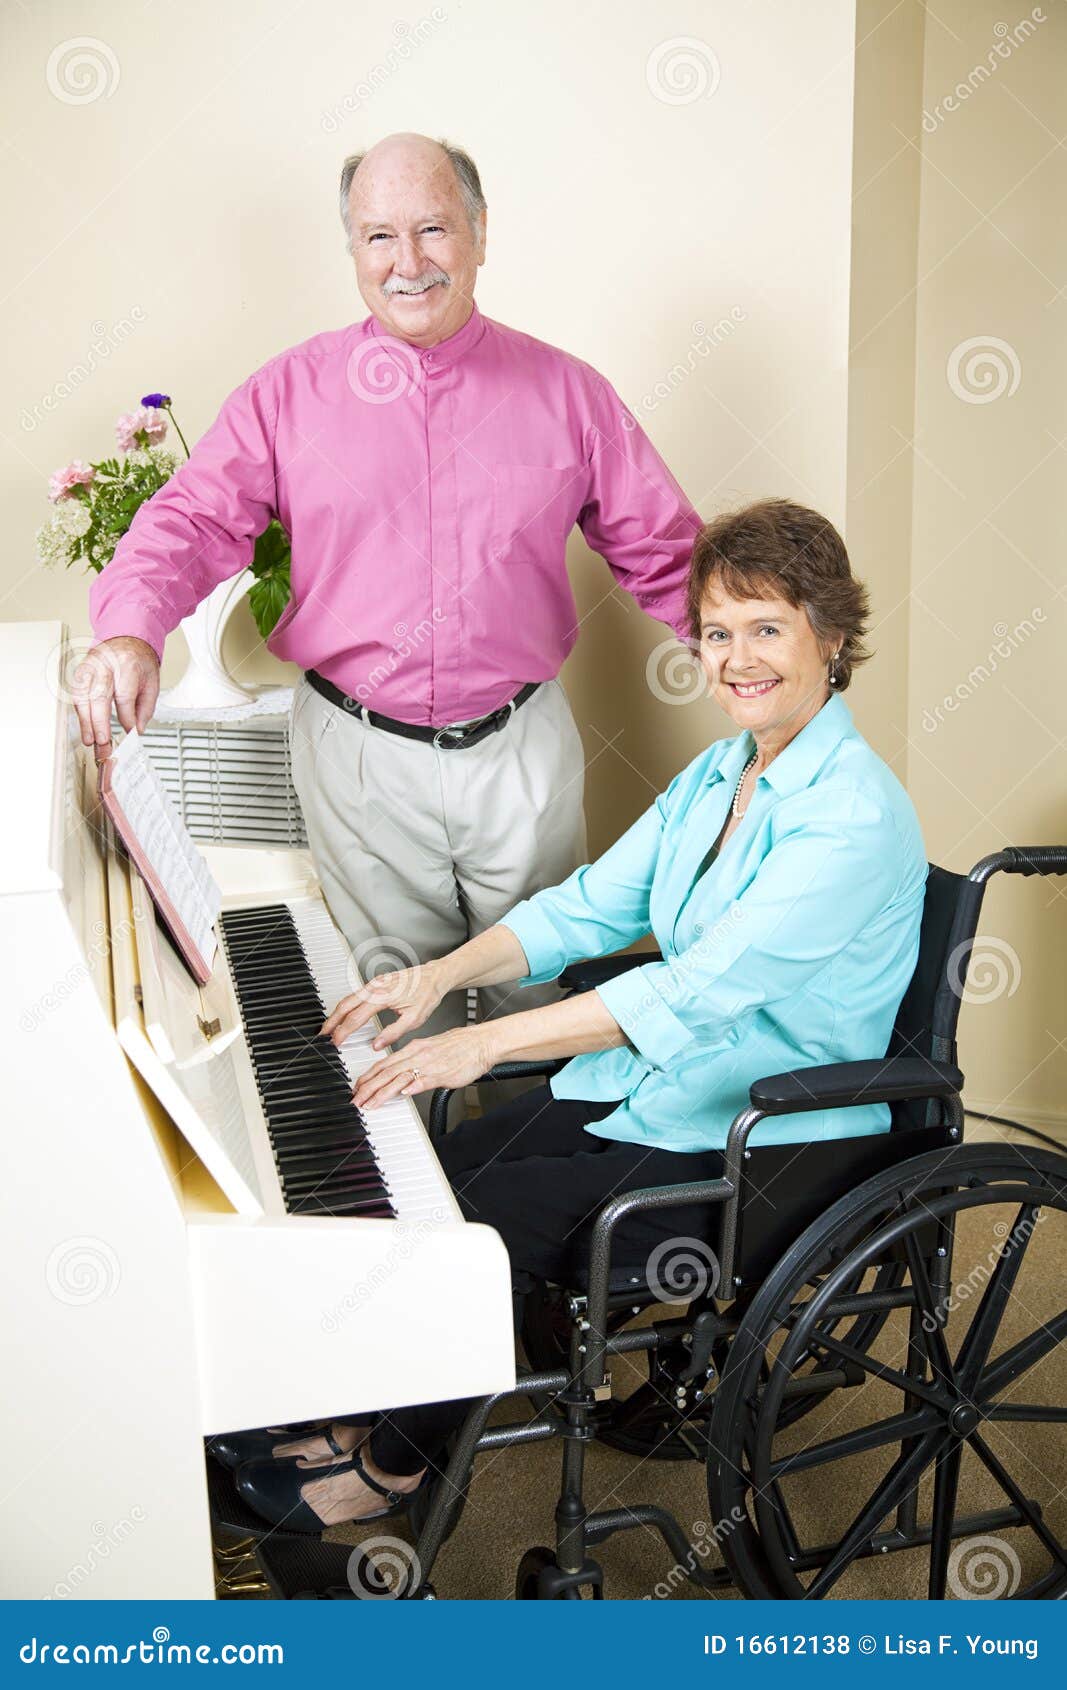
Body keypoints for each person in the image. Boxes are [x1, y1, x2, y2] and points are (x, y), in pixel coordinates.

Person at [222, 497, 929, 1533]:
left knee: (468, 1227)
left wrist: (482, 1041)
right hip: (663, 1086)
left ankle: (393, 1460)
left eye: (765, 628)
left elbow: (694, 990)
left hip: (767, 1133)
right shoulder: (722, 773)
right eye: (716, 633)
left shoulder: (852, 813)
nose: (735, 658)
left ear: (829, 634)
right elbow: (591, 903)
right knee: (439, 1173)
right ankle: (374, 1406)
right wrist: (434, 980)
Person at [72, 132, 701, 1078]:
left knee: (535, 1017)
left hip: (520, 753)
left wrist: (763, 653)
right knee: (396, 1021)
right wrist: (129, 630)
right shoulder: (286, 395)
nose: (407, 263)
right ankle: (436, 1226)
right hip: (358, 760)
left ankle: (526, 1218)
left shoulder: (570, 393)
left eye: (433, 230)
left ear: (480, 234)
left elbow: (666, 551)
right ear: (353, 252)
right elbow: (194, 520)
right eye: (378, 237)